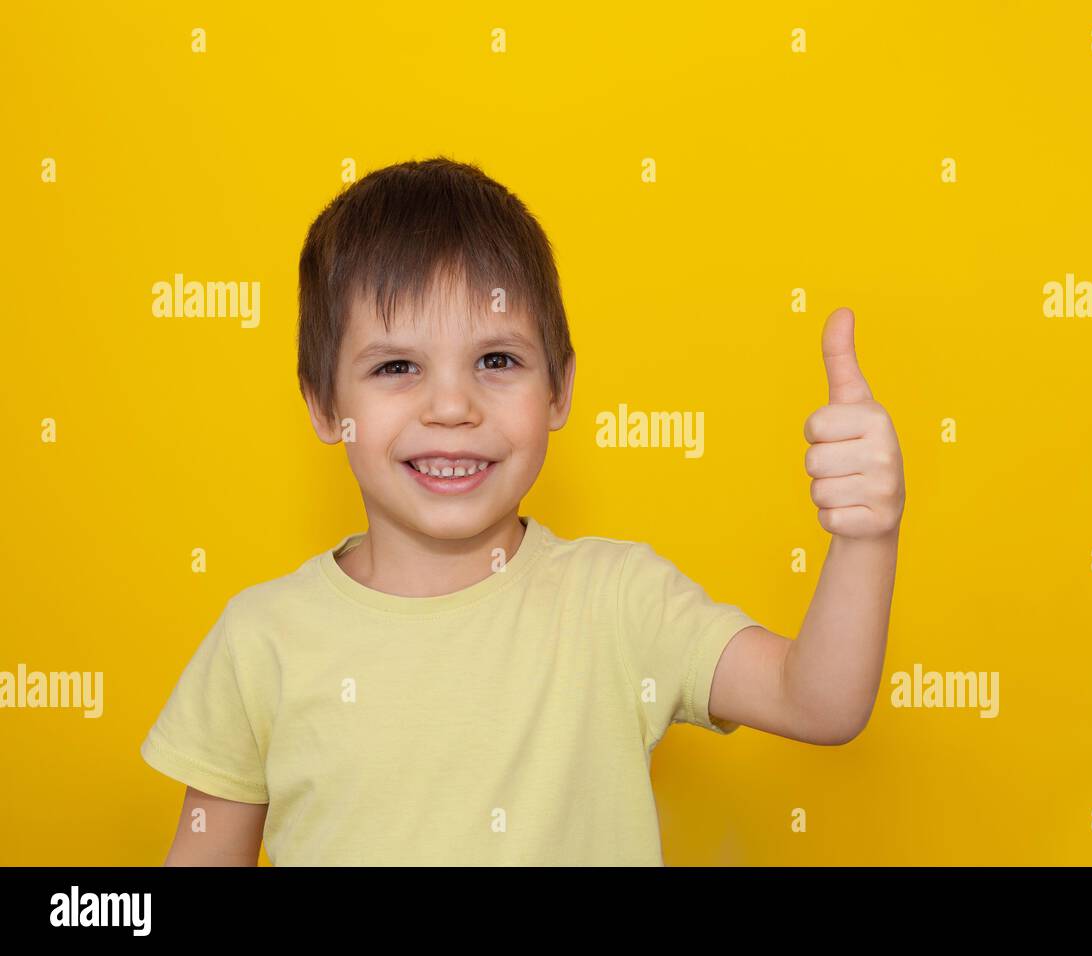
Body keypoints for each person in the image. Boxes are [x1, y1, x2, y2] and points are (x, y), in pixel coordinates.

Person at [140, 157, 905, 865]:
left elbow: (821, 701)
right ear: (321, 403)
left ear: (559, 390)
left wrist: (865, 536)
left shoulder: (619, 600)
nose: (451, 406)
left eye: (496, 361)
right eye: (397, 366)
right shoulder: (258, 642)